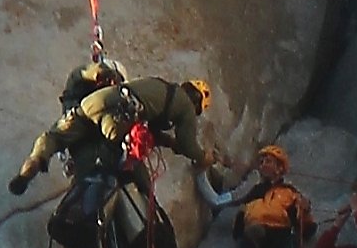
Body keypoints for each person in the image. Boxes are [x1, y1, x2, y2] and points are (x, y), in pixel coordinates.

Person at [11, 74, 212, 193]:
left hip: (93, 103)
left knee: (54, 137)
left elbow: (152, 129)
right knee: (131, 166)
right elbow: (189, 145)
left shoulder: (157, 85)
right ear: (196, 103)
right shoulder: (185, 107)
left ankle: (33, 164)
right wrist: (204, 158)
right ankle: (147, 210)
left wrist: (170, 143)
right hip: (116, 119)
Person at [201, 143, 310, 248]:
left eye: (268, 161)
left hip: (281, 238)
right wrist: (200, 175)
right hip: (257, 236)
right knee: (254, 230)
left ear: (279, 168)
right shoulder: (252, 189)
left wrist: (305, 208)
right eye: (262, 161)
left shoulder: (290, 193)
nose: (262, 164)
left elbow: (305, 222)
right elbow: (218, 200)